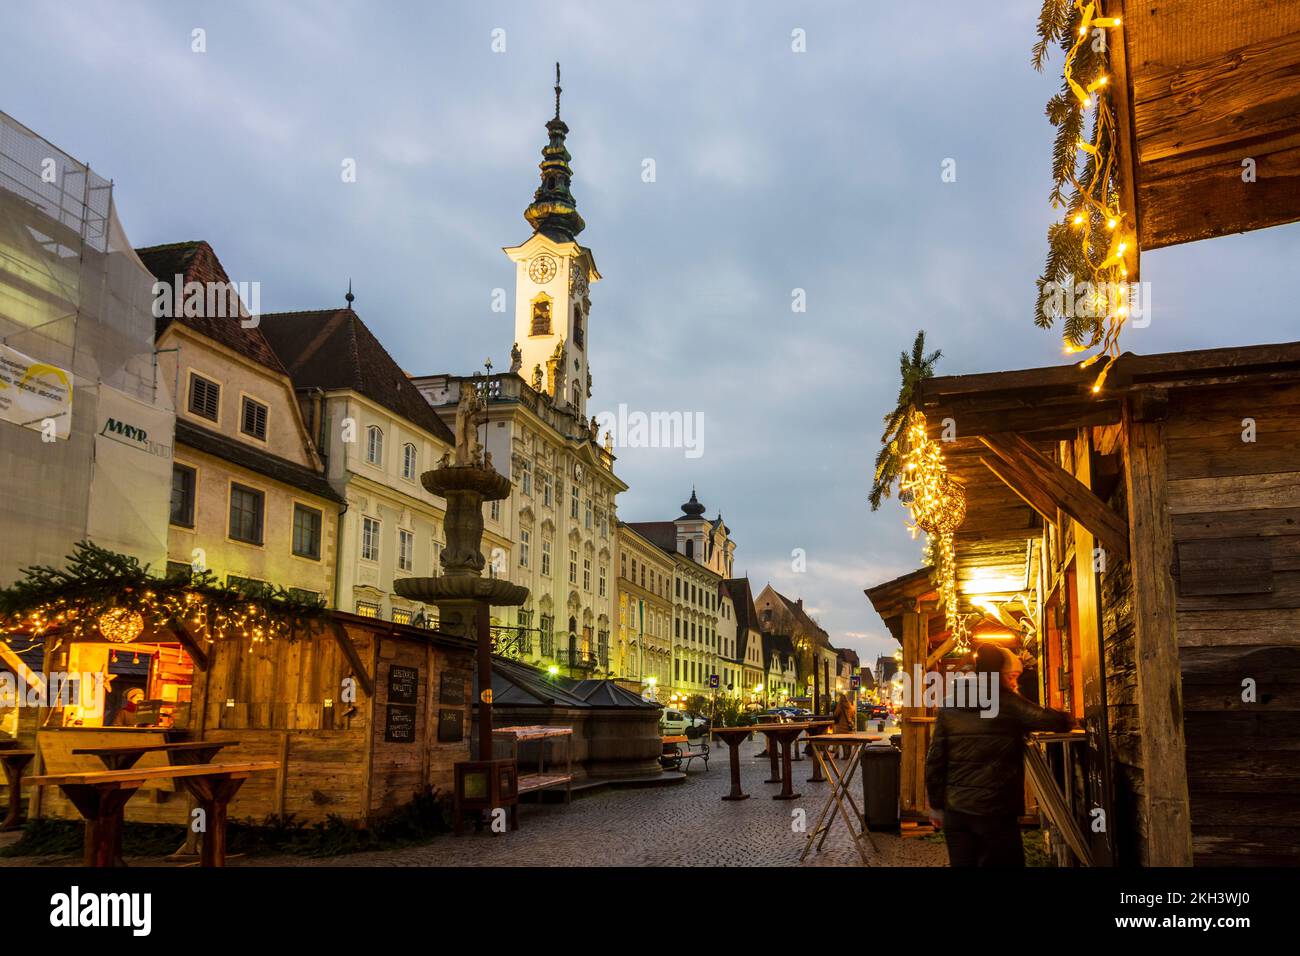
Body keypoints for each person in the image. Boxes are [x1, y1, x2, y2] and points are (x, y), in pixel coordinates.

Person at [924, 644, 1073, 867]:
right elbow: (1057, 722)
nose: (1014, 682)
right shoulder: (1009, 703)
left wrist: (936, 806)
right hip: (995, 812)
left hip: (956, 811)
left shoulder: (949, 704)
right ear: (1001, 674)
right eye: (1011, 676)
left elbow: (935, 760)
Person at [832, 692, 856, 758]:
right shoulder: (850, 707)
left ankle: (843, 755)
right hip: (849, 727)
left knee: (842, 741)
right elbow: (853, 716)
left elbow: (835, 715)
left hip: (841, 727)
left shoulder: (840, 706)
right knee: (849, 742)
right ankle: (849, 754)